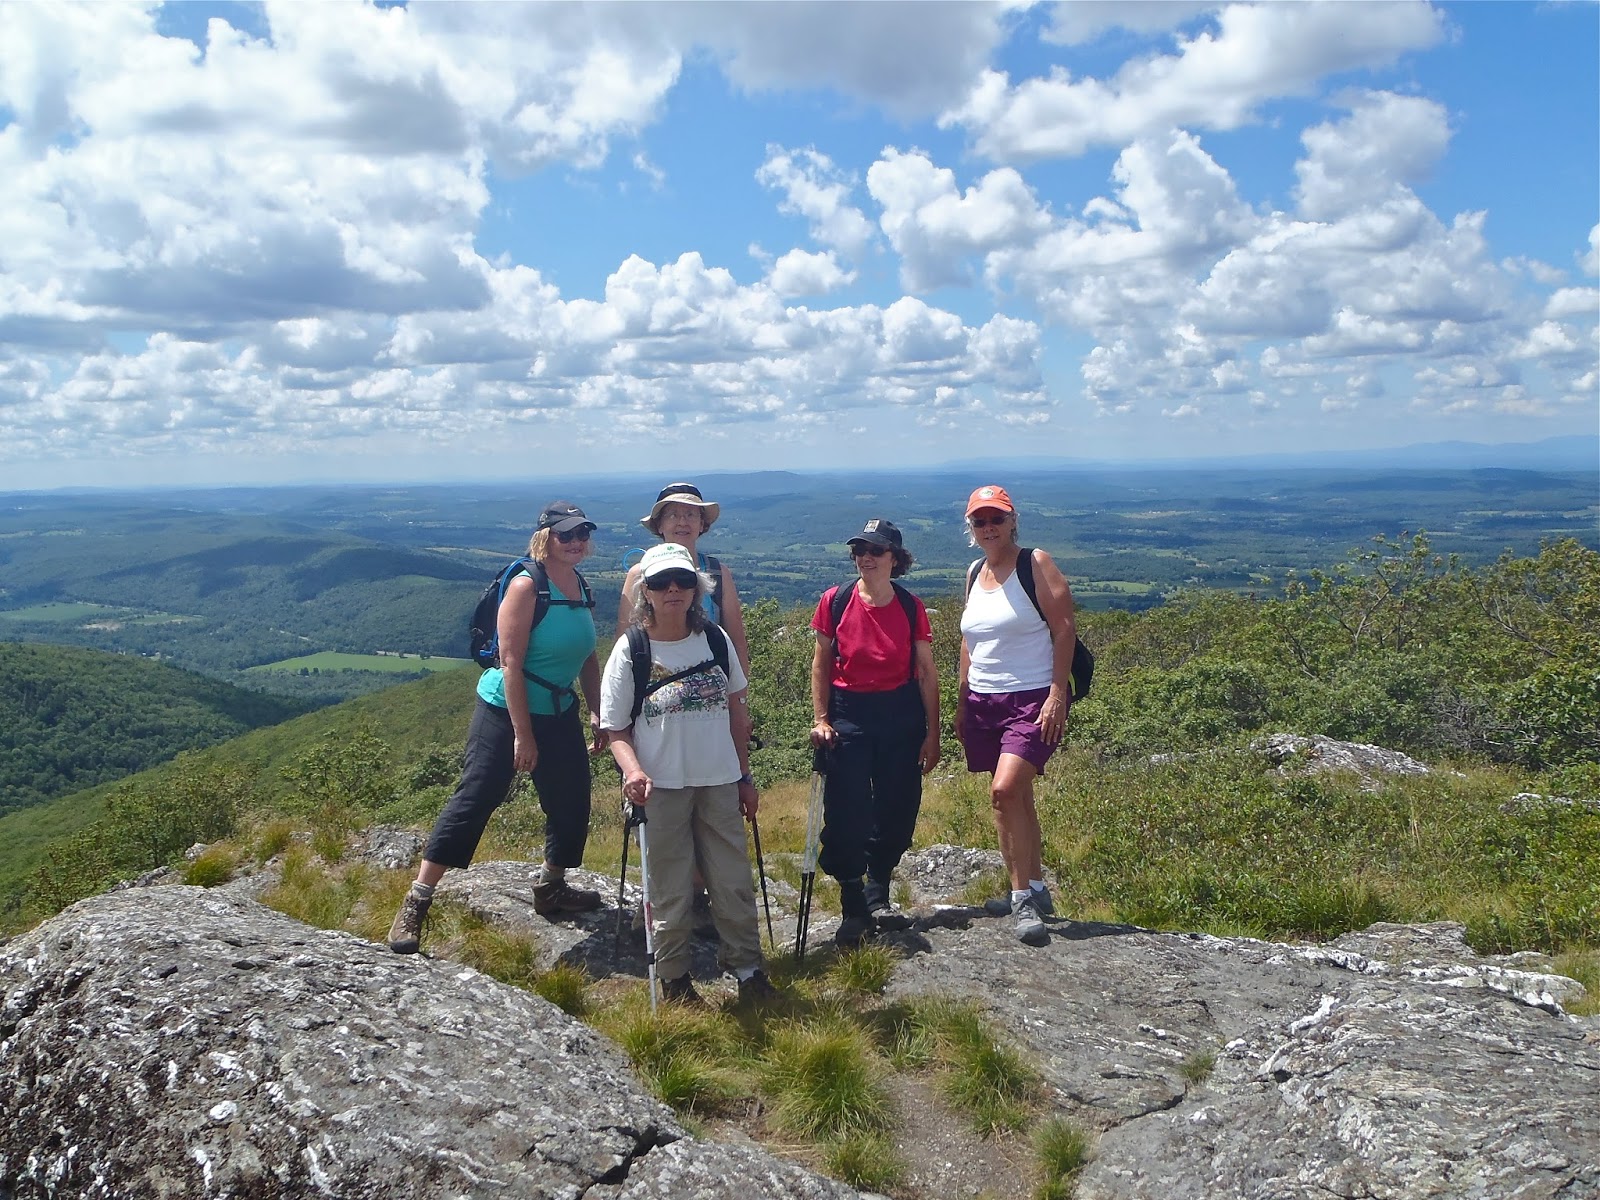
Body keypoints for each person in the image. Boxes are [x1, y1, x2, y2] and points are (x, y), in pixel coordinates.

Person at [387, 501, 606, 954]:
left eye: (583, 532)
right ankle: (417, 900)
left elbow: (587, 655)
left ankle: (552, 887)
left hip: (558, 707)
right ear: (546, 537)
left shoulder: (580, 586)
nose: (577, 541)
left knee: (570, 800)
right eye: (567, 534)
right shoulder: (528, 585)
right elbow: (510, 663)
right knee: (477, 795)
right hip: (504, 710)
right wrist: (523, 735)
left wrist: (596, 711)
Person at [600, 542, 776, 1006]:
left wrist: (745, 775)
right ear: (647, 592)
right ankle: (675, 979)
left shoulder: (714, 639)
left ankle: (747, 969)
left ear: (697, 589)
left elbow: (739, 713)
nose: (673, 590)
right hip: (660, 787)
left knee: (732, 881)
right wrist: (633, 771)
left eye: (683, 581)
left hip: (718, 778)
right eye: (660, 583)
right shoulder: (631, 649)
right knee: (670, 887)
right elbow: (614, 727)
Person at [955, 485, 1078, 947]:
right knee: (1018, 795)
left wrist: (1056, 694)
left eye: (996, 519)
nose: (988, 528)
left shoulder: (1035, 563)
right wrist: (963, 700)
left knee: (1004, 791)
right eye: (979, 522)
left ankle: (1020, 896)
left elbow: (1065, 628)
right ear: (971, 529)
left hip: (1031, 697)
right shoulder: (973, 572)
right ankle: (1038, 886)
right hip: (985, 700)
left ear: (1012, 522)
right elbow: (969, 643)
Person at [810, 519, 940, 946]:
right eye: (859, 551)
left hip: (900, 713)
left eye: (876, 551)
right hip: (849, 713)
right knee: (847, 810)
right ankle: (854, 903)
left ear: (895, 559)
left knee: (898, 808)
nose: (866, 558)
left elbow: (925, 672)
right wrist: (822, 718)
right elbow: (822, 664)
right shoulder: (836, 601)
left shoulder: (909, 606)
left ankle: (877, 889)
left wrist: (932, 733)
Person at [617, 482, 750, 676]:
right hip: (651, 688)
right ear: (659, 525)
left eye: (690, 515)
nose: (682, 522)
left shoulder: (718, 573)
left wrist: (739, 698)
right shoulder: (638, 575)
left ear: (702, 524)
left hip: (712, 691)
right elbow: (623, 646)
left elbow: (737, 645)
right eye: (673, 515)